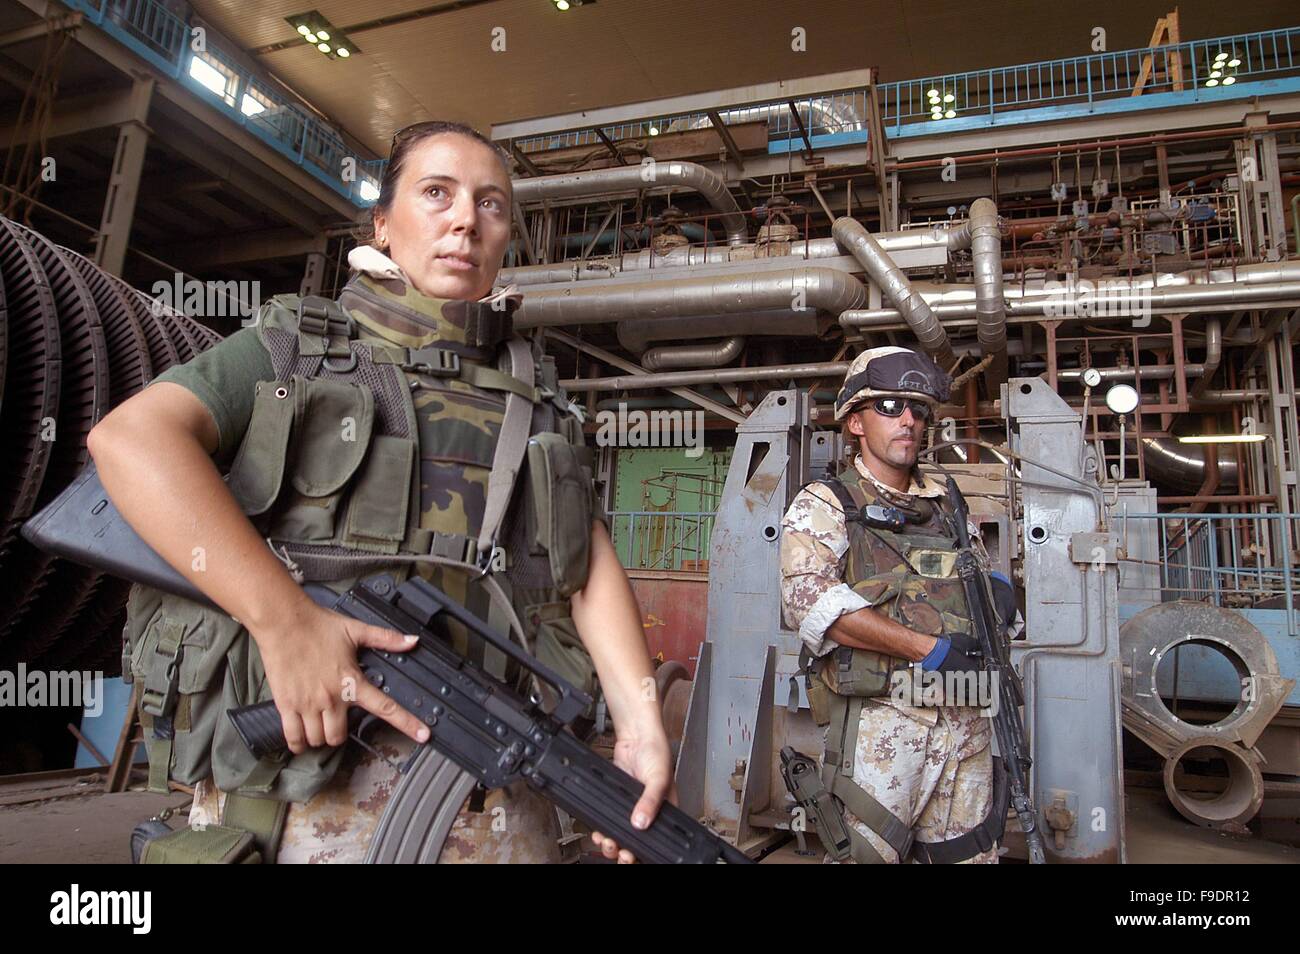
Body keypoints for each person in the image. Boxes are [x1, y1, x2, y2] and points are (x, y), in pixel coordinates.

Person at [88, 121, 672, 864]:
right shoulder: (297, 348)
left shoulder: (542, 403)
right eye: (437, 193)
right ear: (383, 226)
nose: (466, 219)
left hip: (493, 805)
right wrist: (287, 622)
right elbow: (131, 441)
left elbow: (583, 570)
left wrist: (641, 727)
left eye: (491, 205)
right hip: (304, 800)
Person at [778, 346, 1006, 864]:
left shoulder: (948, 501)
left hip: (967, 721)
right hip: (885, 722)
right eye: (888, 407)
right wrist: (927, 649)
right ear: (854, 421)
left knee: (970, 857)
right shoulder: (828, 503)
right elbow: (812, 605)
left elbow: (972, 571)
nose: (908, 420)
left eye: (919, 409)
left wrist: (998, 590)